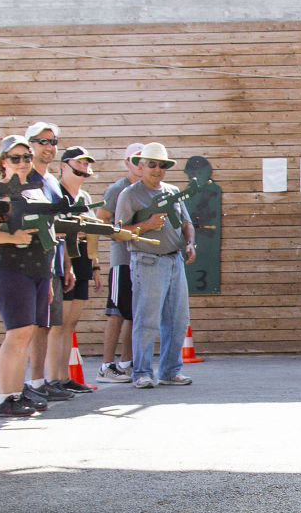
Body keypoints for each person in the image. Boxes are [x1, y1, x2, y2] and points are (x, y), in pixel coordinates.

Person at [0, 134, 59, 416]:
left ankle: (16, 394)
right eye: (15, 158)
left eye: (27, 157)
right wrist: (10, 236)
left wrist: (50, 275)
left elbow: (48, 232)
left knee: (28, 333)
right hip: (10, 267)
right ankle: (4, 398)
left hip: (39, 269)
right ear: (3, 162)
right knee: (17, 333)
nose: (22, 163)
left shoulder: (36, 190)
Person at [117, 142, 195, 388]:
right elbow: (118, 232)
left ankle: (170, 371)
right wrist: (146, 225)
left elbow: (186, 223)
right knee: (147, 319)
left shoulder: (172, 191)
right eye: (152, 164)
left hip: (174, 260)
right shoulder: (129, 194)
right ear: (141, 165)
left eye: (162, 165)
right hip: (147, 260)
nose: (157, 169)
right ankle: (141, 372)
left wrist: (191, 243)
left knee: (178, 319)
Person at [20, 121, 78, 404]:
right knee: (30, 325)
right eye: (42, 141)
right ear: (29, 143)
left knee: (47, 324)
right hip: (29, 262)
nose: (49, 147)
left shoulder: (53, 181)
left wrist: (66, 264)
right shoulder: (24, 176)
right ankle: (26, 383)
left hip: (53, 261)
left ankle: (40, 381)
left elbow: (60, 226)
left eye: (53, 142)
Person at [45, 145, 98, 392]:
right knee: (59, 323)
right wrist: (67, 264)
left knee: (71, 323)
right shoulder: (58, 194)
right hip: (64, 260)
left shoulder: (85, 198)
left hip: (83, 260)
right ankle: (52, 379)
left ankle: (64, 377)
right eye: (78, 163)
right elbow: (59, 232)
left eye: (86, 164)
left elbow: (93, 232)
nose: (83, 168)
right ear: (63, 166)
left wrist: (95, 266)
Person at [98, 149, 137, 382]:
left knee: (134, 314)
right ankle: (106, 366)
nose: (142, 165)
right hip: (122, 260)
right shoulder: (116, 189)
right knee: (116, 313)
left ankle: (126, 362)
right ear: (127, 162)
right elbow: (100, 218)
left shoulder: (147, 190)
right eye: (136, 160)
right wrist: (121, 234)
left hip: (142, 260)